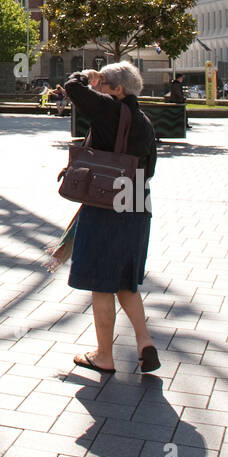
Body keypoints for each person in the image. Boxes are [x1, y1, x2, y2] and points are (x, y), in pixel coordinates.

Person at [64, 63, 160, 374]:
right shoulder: (144, 121)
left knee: (101, 282)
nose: (98, 88)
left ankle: (104, 354)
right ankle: (144, 342)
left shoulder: (111, 111)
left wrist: (87, 76)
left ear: (117, 90)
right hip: (136, 200)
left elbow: (72, 88)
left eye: (104, 84)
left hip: (108, 201)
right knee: (124, 281)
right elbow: (150, 170)